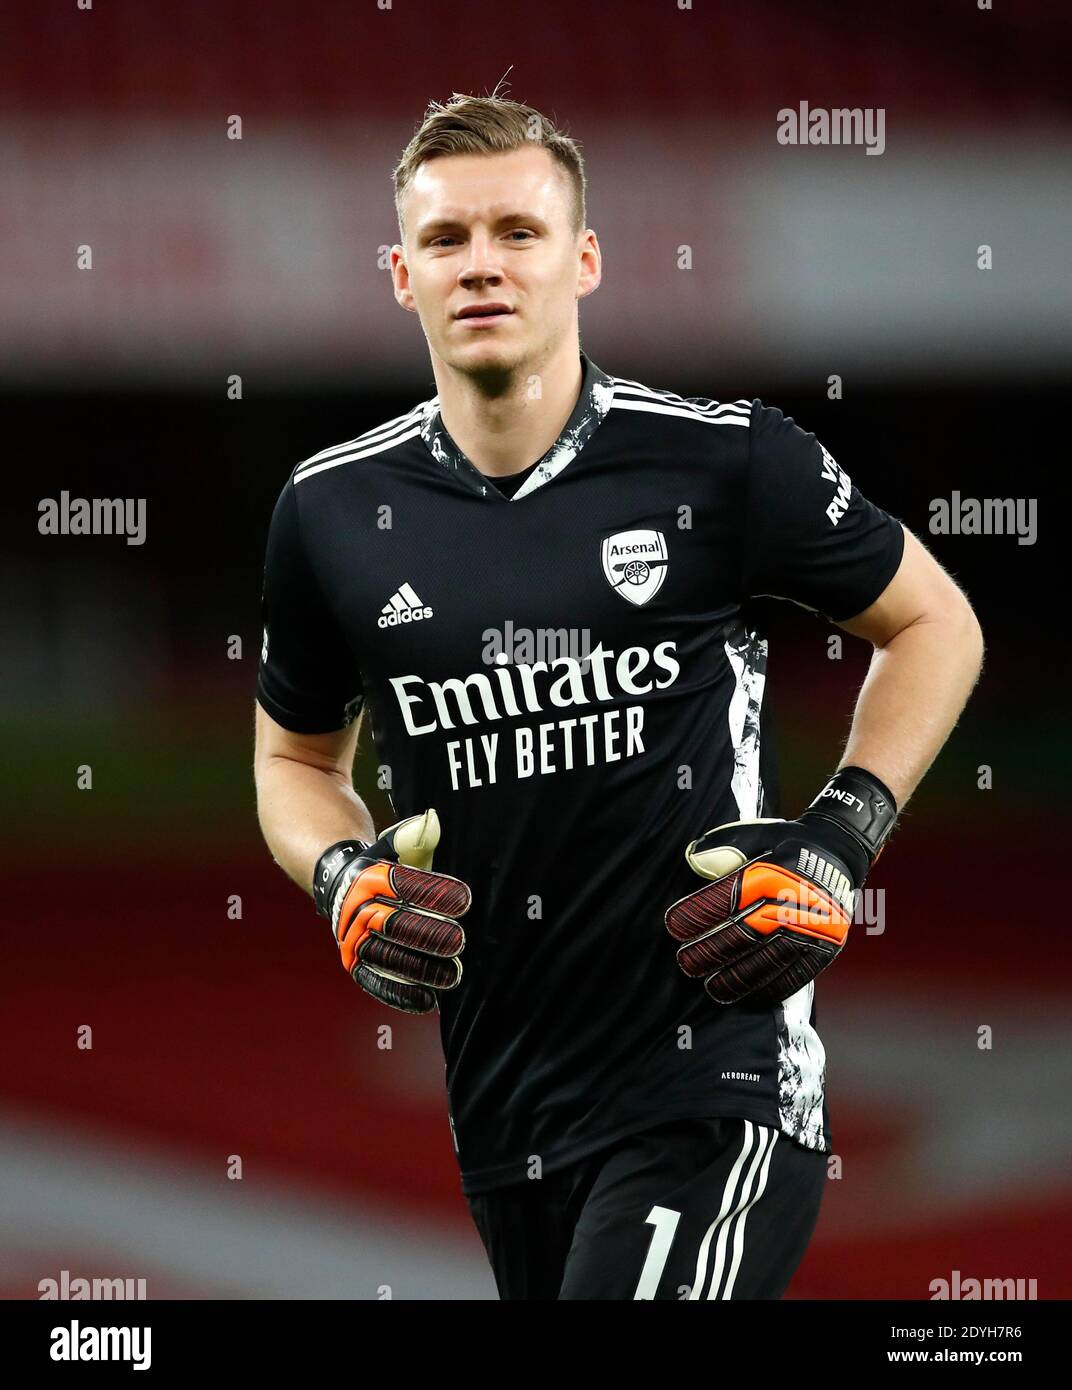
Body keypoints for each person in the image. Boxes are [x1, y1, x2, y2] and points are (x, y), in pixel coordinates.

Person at [253, 90, 984, 1300]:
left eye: (518, 232)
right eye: (445, 240)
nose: (480, 264)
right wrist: (344, 878)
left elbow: (934, 622)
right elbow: (294, 766)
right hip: (503, 1106)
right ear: (400, 275)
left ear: (583, 259)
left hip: (714, 1082)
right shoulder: (330, 512)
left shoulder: (724, 458)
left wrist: (838, 841)